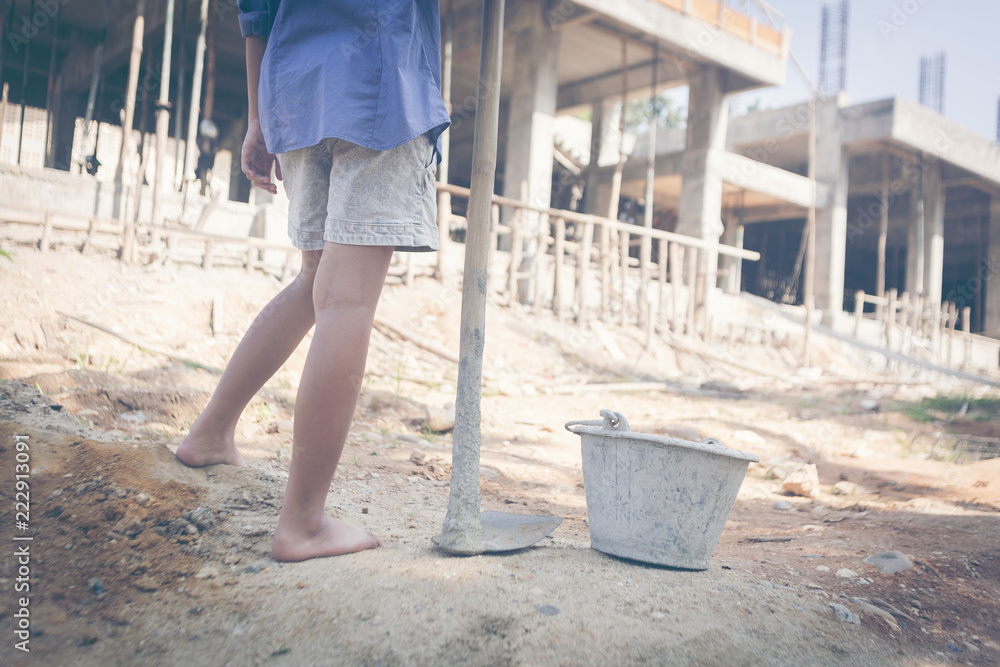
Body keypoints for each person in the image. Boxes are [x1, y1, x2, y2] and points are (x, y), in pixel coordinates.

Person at [175, 0, 450, 562]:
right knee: (345, 300)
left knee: (312, 281)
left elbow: (255, 11)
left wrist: (257, 118)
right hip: (380, 85)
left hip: (296, 95)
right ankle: (302, 523)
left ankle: (210, 434)